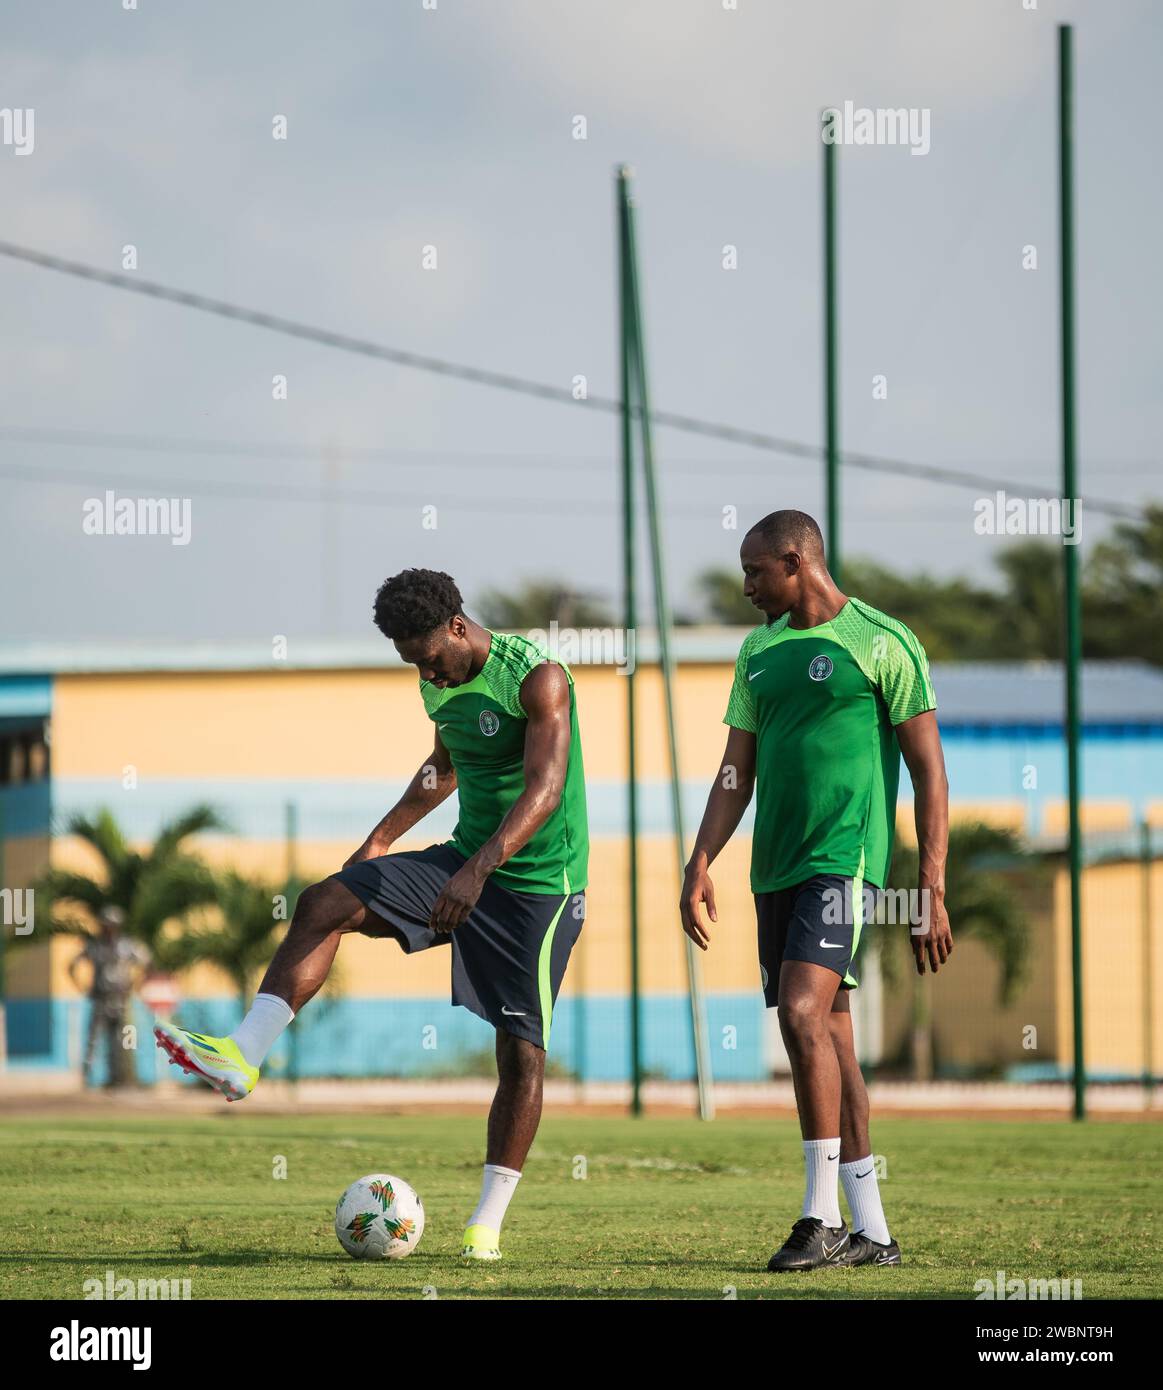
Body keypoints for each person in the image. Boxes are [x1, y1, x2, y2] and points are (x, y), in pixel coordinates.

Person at [155, 568, 588, 1261]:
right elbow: (442, 769)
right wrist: (383, 839)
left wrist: (478, 873)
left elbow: (544, 790)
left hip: (539, 885)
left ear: (456, 627)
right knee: (324, 901)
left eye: (429, 658)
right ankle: (243, 1055)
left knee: (520, 1054)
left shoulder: (538, 679)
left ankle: (485, 1225)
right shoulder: (436, 683)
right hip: (464, 860)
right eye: (411, 663)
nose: (425, 673)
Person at [681, 510, 953, 1271]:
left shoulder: (880, 640)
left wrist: (930, 885)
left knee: (801, 1013)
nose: (744, 587)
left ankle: (818, 1217)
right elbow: (736, 772)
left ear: (795, 561)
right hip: (774, 868)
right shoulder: (757, 652)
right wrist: (700, 858)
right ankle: (873, 1233)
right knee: (830, 1037)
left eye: (754, 571)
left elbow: (929, 771)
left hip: (845, 860)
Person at [69, 906, 149, 1088]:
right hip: (100, 998)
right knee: (94, 1039)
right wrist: (82, 987)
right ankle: (87, 1078)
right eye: (106, 925)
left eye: (112, 926)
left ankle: (119, 1078)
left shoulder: (127, 946)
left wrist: (136, 984)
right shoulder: (95, 947)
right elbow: (72, 965)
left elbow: (146, 962)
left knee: (122, 1040)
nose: (109, 929)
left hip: (121, 999)